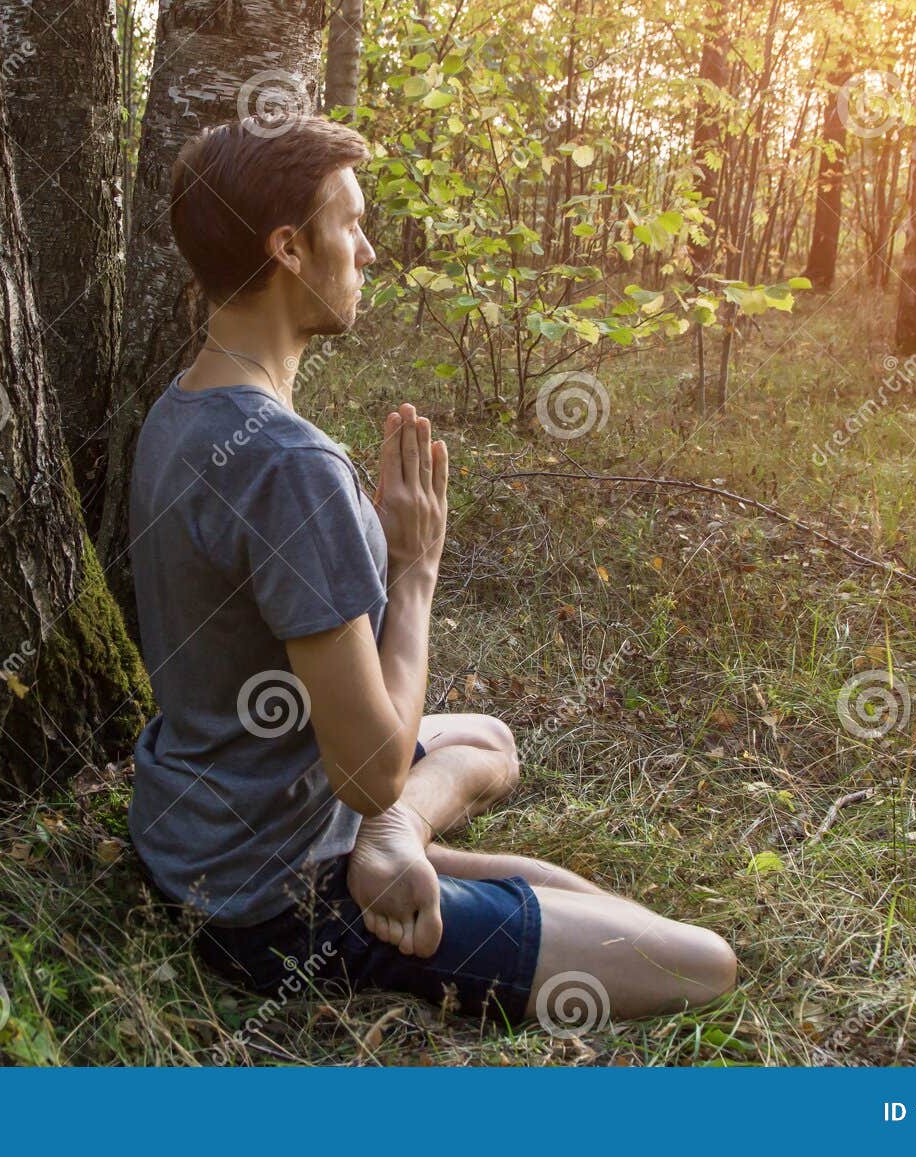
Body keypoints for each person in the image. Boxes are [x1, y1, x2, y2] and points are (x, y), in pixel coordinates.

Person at [127, 114, 736, 1029]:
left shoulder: (180, 408)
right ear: (289, 248)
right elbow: (372, 772)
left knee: (488, 739)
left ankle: (396, 843)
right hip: (274, 900)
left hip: (187, 834)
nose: (368, 251)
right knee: (698, 962)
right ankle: (375, 857)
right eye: (351, 225)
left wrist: (390, 816)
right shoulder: (291, 464)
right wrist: (414, 568)